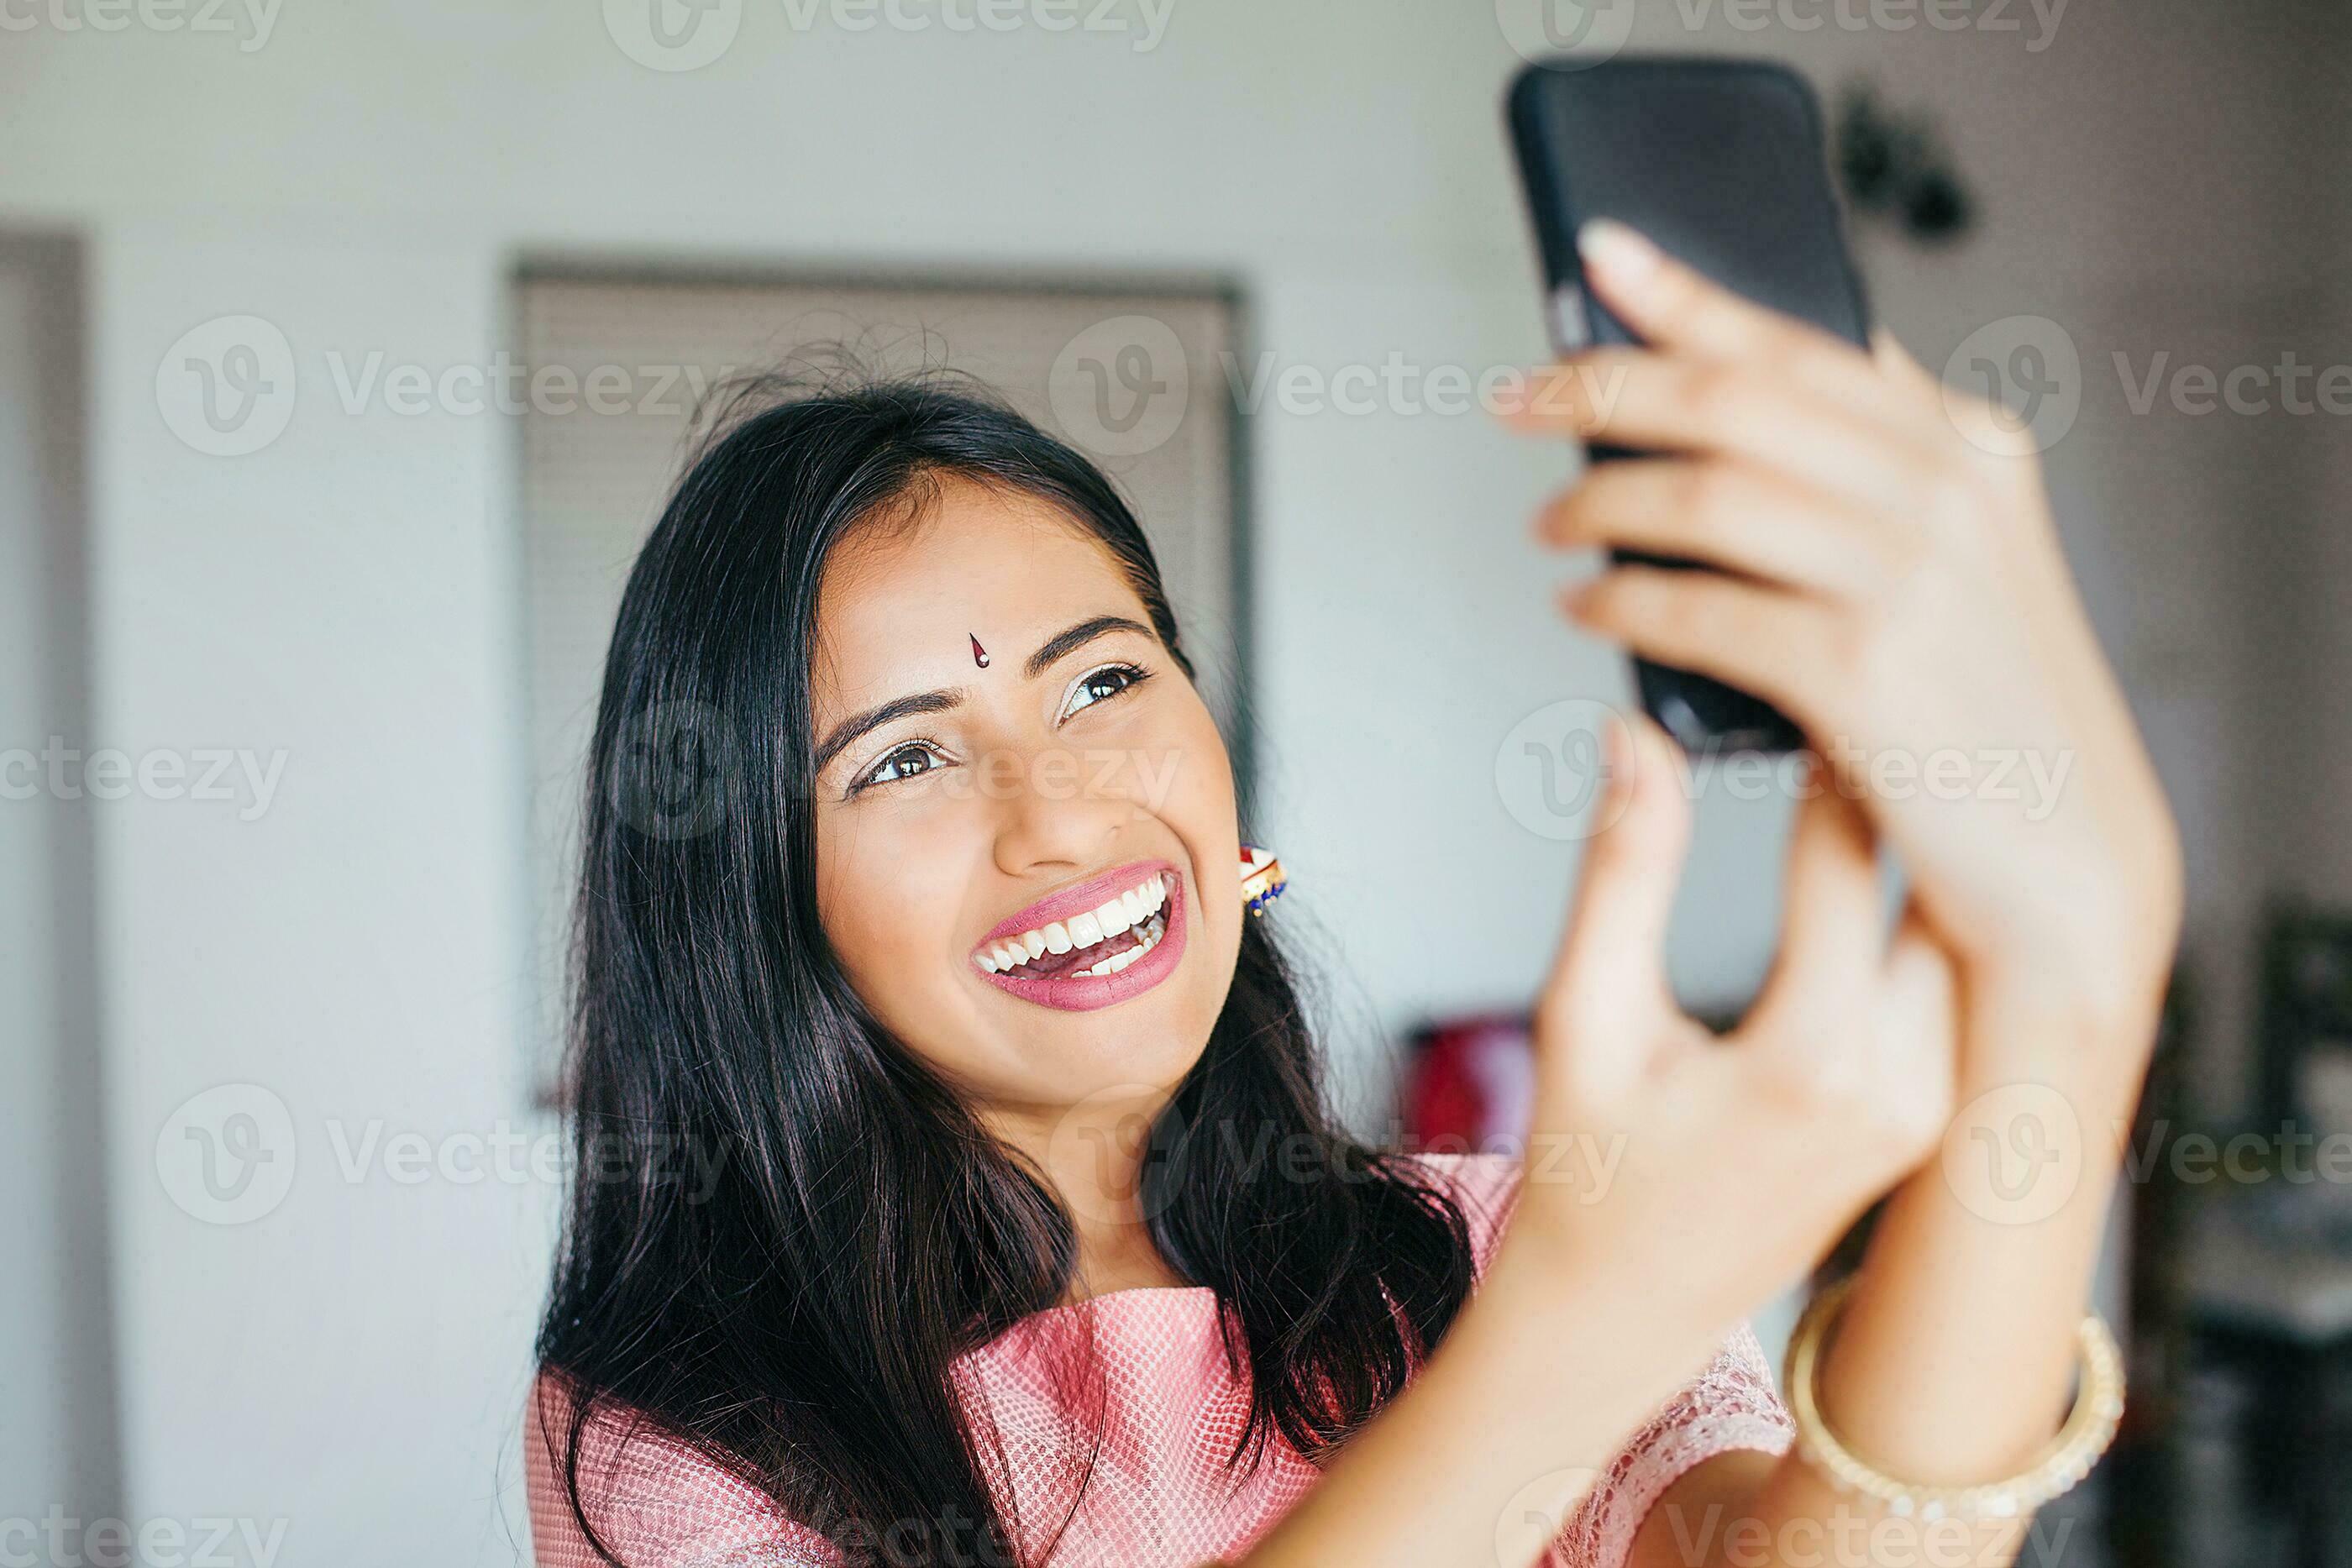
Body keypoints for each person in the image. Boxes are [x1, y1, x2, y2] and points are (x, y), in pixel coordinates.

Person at [523, 218, 2182, 1568]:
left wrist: (2072, 989)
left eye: (1101, 684)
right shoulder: (678, 1428)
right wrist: (1584, 1330)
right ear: (749, 892)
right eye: (900, 759)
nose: (1060, 816)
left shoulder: (1487, 1242)